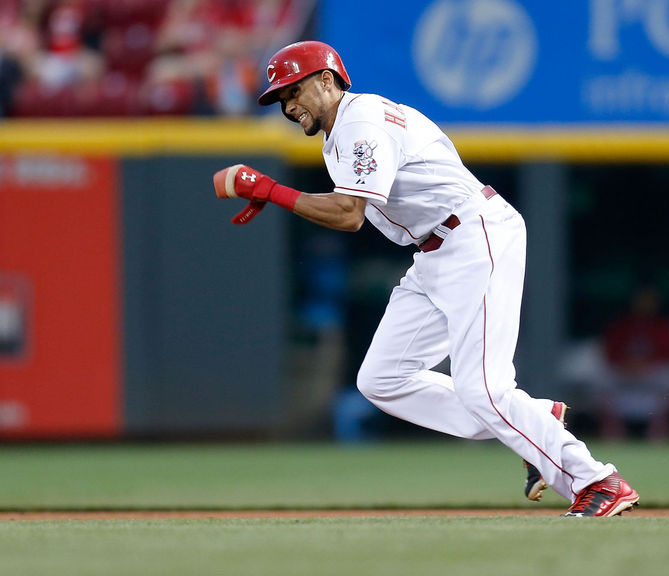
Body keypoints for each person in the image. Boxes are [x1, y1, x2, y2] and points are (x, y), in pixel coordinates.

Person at [213, 41, 639, 516]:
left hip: (473, 236)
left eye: (293, 90)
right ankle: (537, 420)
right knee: (381, 379)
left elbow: (350, 215)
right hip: (434, 253)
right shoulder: (342, 131)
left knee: (485, 388)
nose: (288, 105)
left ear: (327, 81)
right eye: (280, 99)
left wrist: (269, 189)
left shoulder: (360, 122)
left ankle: (599, 480)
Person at [596, 284, 669, 442]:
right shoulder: (621, 324)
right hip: (625, 372)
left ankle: (659, 429)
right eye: (641, 300)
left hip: (651, 373)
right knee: (602, 379)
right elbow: (609, 355)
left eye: (649, 300)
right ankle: (612, 430)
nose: (644, 304)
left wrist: (647, 365)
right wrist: (628, 365)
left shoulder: (663, 326)